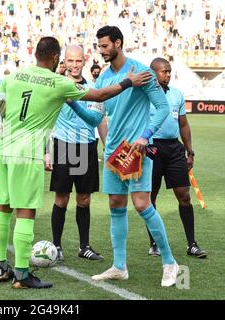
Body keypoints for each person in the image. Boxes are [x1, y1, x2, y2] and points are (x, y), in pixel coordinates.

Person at [0, 36, 151, 289]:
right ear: (55, 58)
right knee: (26, 211)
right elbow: (99, 95)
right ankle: (22, 274)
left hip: (3, 150)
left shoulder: (13, 76)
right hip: (27, 154)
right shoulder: (58, 82)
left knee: (2, 207)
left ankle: (0, 266)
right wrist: (130, 81)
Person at [90, 26, 178, 287]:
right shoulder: (103, 79)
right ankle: (119, 266)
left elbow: (163, 107)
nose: (101, 51)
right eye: (99, 46)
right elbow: (96, 117)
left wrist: (145, 135)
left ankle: (170, 262)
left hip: (137, 150)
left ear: (118, 43)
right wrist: (72, 102)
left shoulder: (141, 71)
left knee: (141, 204)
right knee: (116, 205)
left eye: (105, 46)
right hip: (113, 153)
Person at [45, 45, 105, 262]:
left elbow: (97, 120)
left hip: (87, 146)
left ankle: (84, 246)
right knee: (61, 198)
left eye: (78, 61)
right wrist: (45, 151)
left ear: (84, 61)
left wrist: (106, 146)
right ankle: (57, 246)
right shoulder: (56, 87)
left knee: (84, 199)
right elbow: (45, 119)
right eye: (70, 61)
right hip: (64, 145)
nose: (74, 65)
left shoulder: (93, 89)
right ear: (64, 62)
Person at [146, 57, 207, 258]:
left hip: (174, 148)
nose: (168, 74)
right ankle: (154, 243)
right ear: (153, 72)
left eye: (170, 71)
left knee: (184, 196)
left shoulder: (177, 94)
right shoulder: (144, 95)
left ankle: (192, 244)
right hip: (152, 148)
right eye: (164, 71)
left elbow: (183, 124)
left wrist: (189, 151)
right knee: (150, 197)